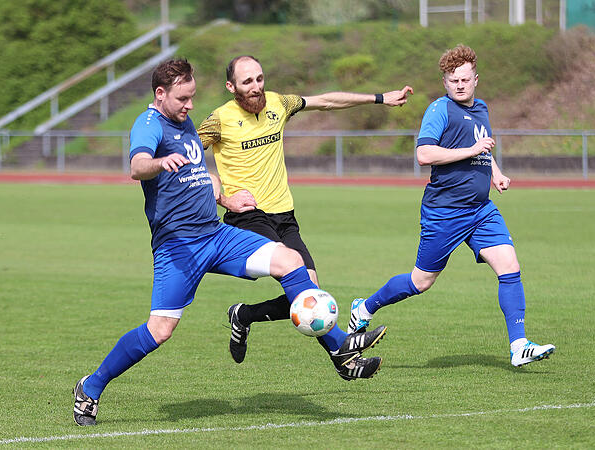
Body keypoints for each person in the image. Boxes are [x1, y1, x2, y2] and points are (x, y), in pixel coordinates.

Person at [72, 59, 387, 426]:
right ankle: (90, 388)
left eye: (191, 97)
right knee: (160, 330)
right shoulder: (148, 125)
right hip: (179, 248)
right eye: (182, 98)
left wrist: (225, 200)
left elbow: (197, 170)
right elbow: (137, 166)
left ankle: (340, 348)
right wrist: (160, 163)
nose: (190, 105)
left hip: (216, 234)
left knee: (290, 261)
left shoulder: (183, 121)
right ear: (160, 95)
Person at [196, 55, 413, 380]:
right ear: (231, 87)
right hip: (248, 217)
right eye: (247, 82)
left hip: (284, 215)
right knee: (305, 290)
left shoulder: (278, 104)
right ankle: (345, 353)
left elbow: (325, 101)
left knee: (309, 289)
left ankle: (245, 314)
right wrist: (223, 197)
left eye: (259, 78)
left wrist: (380, 98)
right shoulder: (219, 120)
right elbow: (184, 160)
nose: (256, 87)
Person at [346, 45, 555, 367]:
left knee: (510, 267)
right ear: (445, 81)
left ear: (476, 80)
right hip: (445, 211)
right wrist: (472, 151)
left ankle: (519, 345)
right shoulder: (439, 110)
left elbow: (482, 146)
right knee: (421, 282)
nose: (459, 85)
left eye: (465, 79)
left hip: (481, 209)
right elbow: (424, 155)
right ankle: (364, 308)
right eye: (453, 80)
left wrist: (496, 173)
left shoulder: (481, 108)